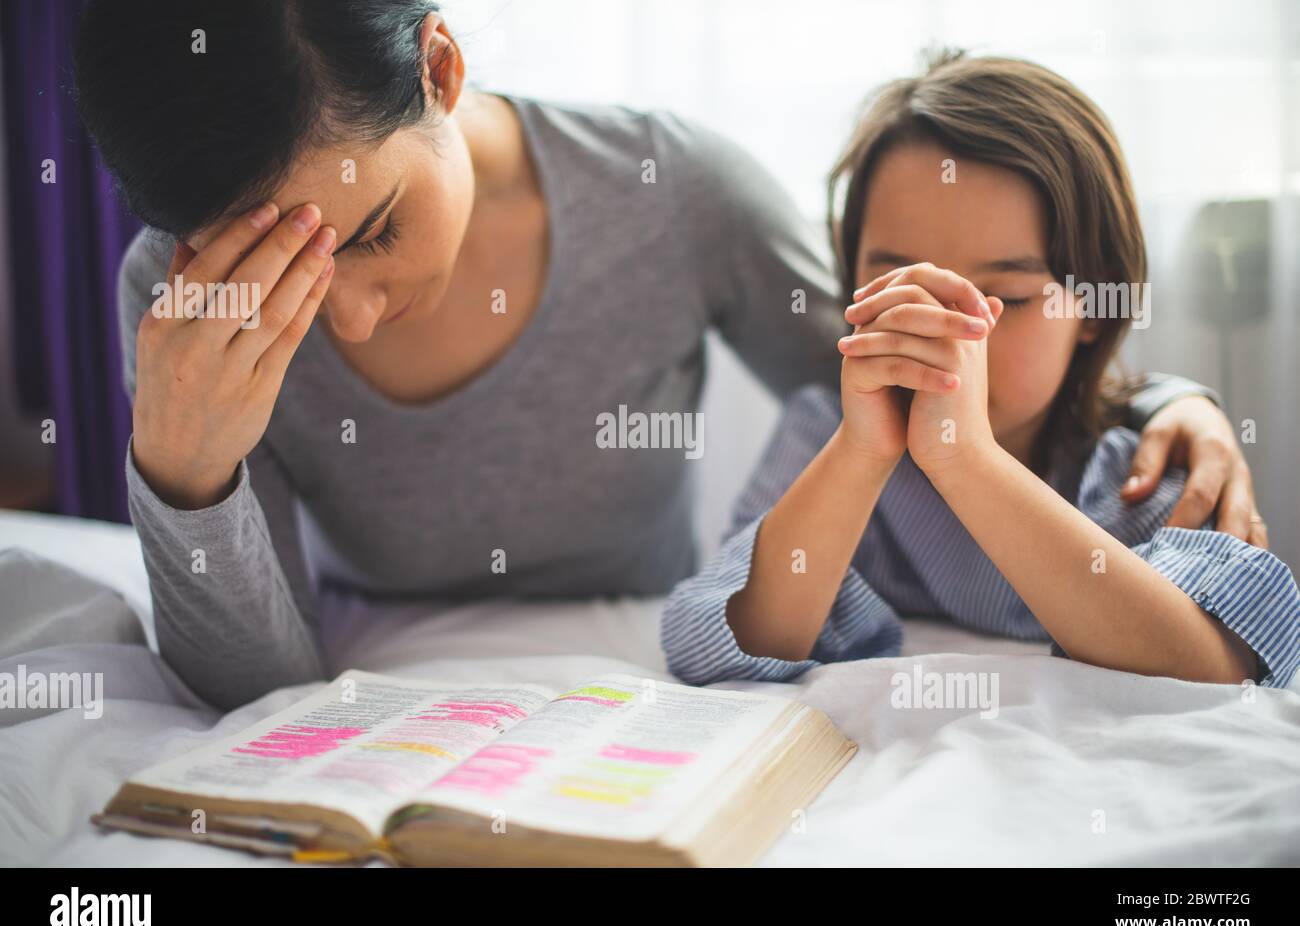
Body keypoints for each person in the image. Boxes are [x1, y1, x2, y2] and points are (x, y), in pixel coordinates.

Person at [73, 3, 1258, 710]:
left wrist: (1166, 394)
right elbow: (254, 695)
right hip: (384, 661)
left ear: (440, 68)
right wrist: (185, 479)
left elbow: (918, 352)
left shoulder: (671, 190)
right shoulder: (180, 303)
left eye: (375, 231)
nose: (352, 321)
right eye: (284, 270)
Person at [661, 52, 1297, 688]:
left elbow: (1225, 669)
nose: (942, 333)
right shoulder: (823, 433)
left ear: (1094, 306)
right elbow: (712, 648)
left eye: (1007, 300)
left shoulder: (1140, 465)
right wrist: (859, 454)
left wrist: (966, 457)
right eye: (898, 285)